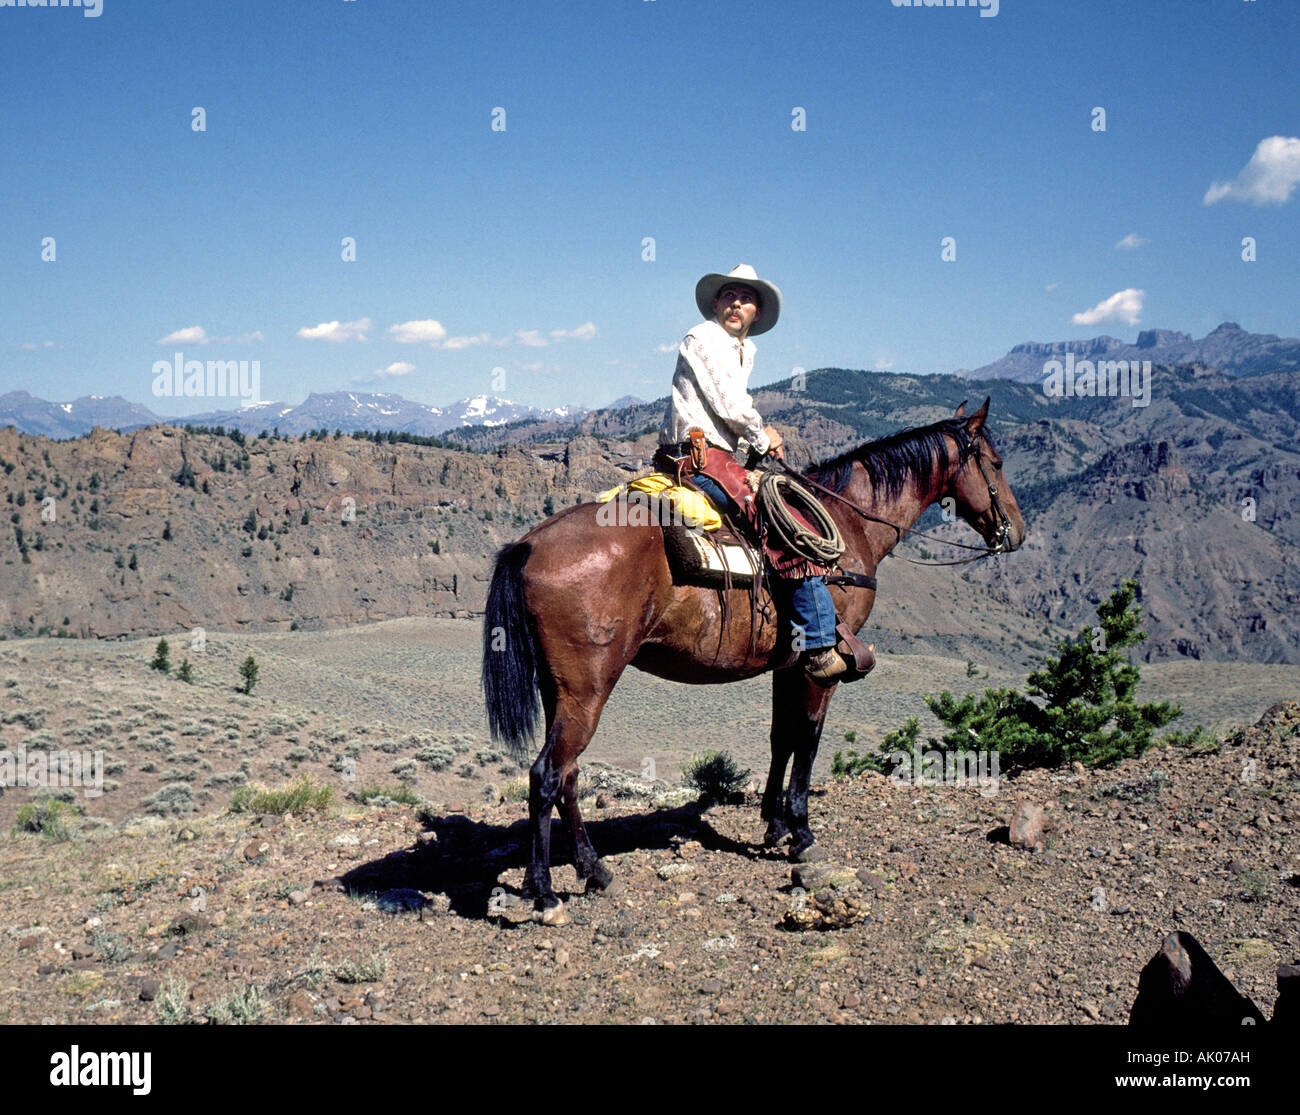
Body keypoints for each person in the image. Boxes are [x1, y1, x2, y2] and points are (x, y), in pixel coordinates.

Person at [659, 264, 848, 683]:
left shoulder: (742, 350)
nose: (736, 304)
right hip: (701, 459)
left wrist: (754, 445)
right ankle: (818, 644)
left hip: (720, 457)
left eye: (745, 299)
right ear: (715, 302)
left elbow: (728, 418)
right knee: (789, 527)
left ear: (756, 312)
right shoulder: (704, 337)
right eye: (729, 296)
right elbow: (728, 405)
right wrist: (763, 437)